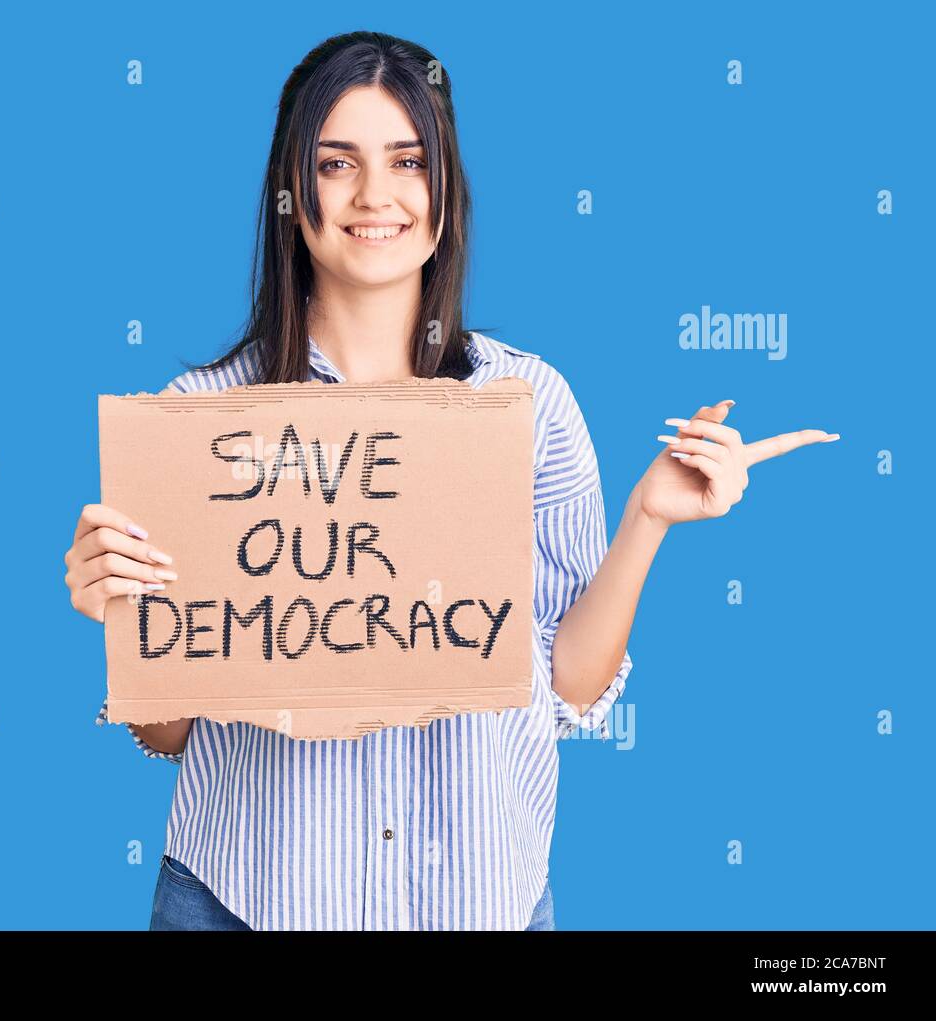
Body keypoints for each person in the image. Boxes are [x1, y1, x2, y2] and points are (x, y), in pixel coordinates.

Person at [63, 31, 838, 930]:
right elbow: (170, 734)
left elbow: (568, 689)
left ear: (445, 194)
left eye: (407, 161)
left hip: (480, 899)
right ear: (291, 193)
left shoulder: (530, 404)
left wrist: (647, 519)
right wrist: (125, 621)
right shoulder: (200, 420)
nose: (374, 196)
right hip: (246, 899)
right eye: (334, 163)